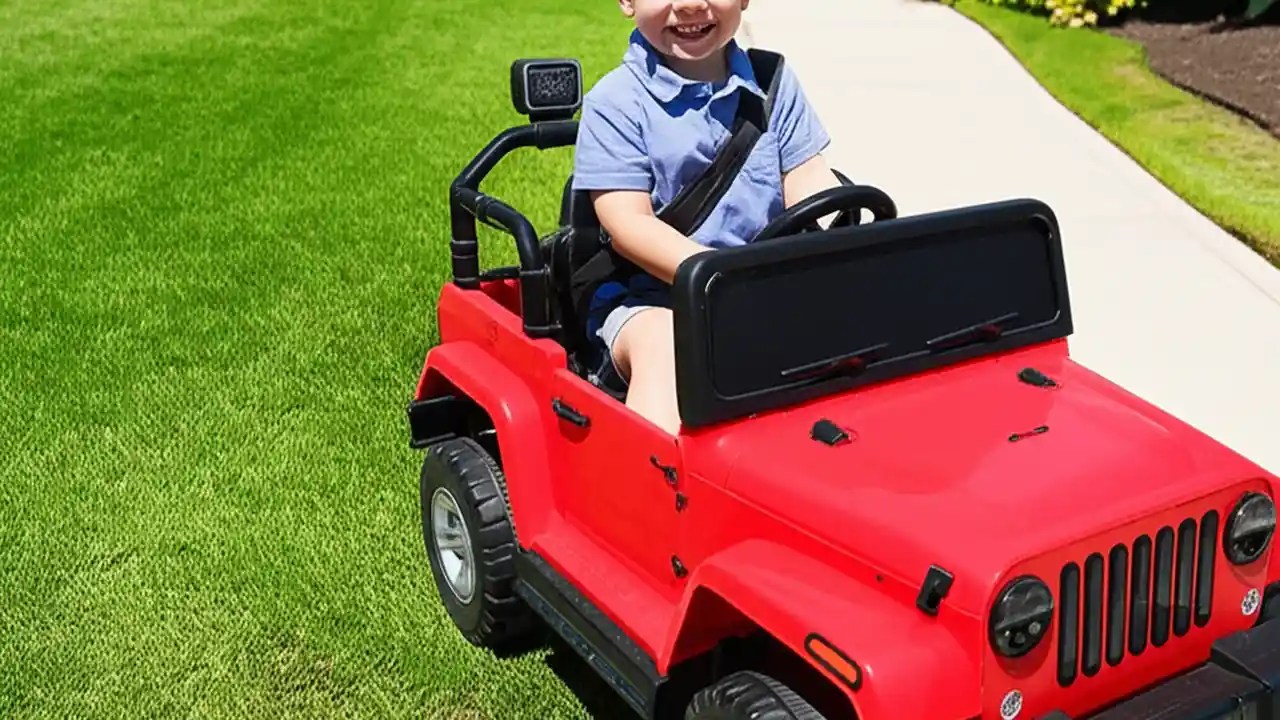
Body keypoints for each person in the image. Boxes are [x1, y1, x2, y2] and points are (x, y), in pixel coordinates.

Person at [572, 0, 841, 434]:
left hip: (758, 286)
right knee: (665, 345)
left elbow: (807, 177)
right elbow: (627, 225)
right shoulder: (615, 103)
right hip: (649, 297)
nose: (693, 4)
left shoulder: (772, 83)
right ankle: (650, 490)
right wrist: (721, 280)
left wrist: (845, 231)